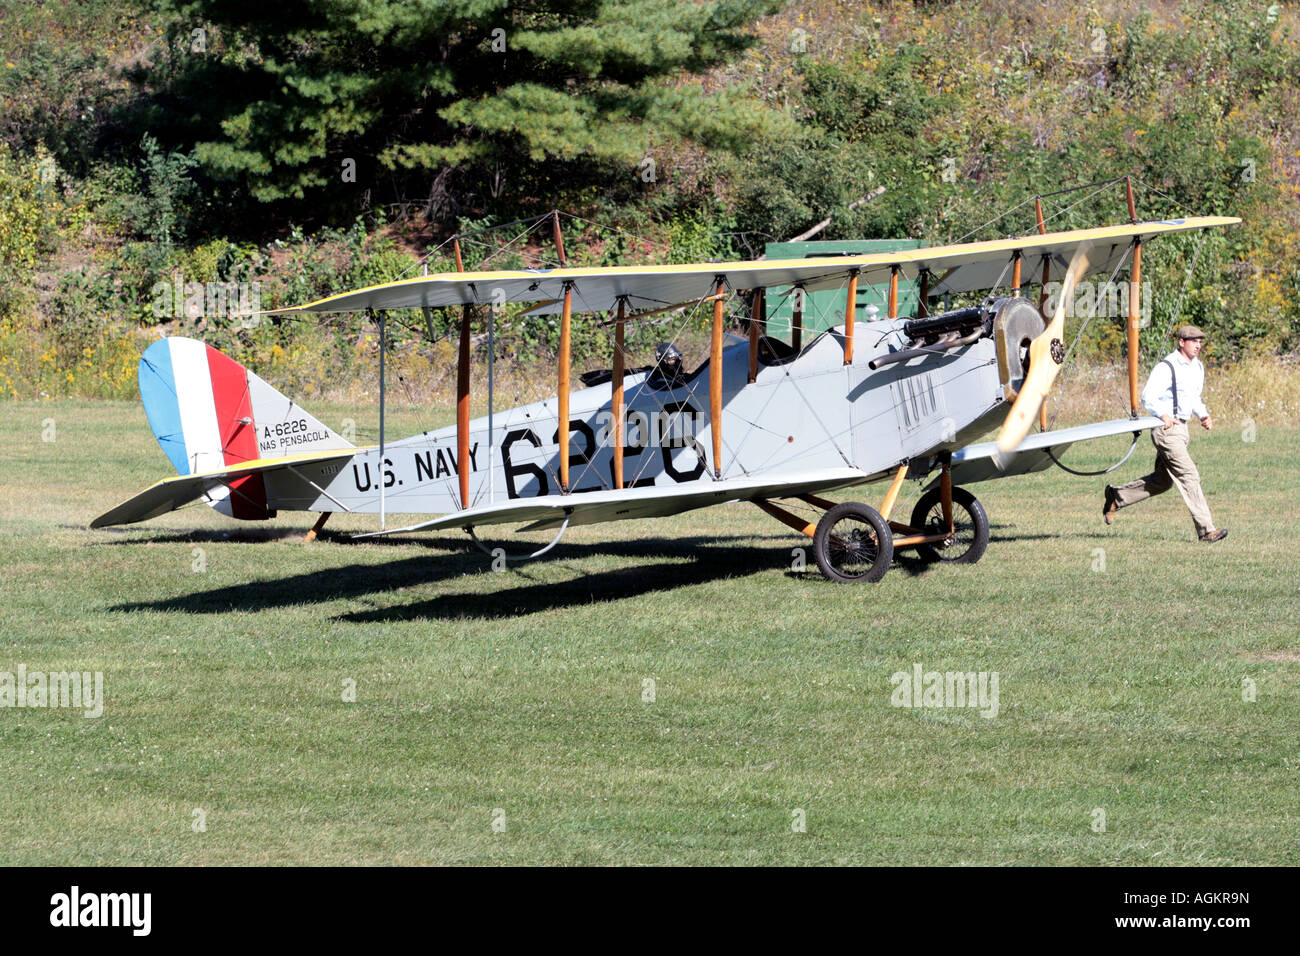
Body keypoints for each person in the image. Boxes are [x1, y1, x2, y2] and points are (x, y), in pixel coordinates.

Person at [1102, 325, 1227, 542]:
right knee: (1189, 475)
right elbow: (1148, 396)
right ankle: (1206, 530)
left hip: (1182, 430)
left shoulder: (1197, 367)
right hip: (1166, 431)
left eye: (1200, 341)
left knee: (1162, 481)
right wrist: (1163, 415)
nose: (1198, 345)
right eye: (1193, 340)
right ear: (1181, 342)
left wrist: (1204, 415)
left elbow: (1193, 397)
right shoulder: (1166, 367)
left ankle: (1117, 496)